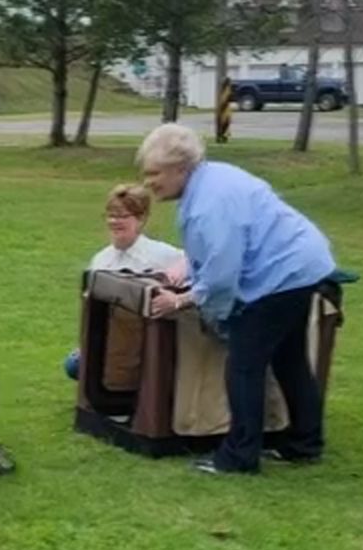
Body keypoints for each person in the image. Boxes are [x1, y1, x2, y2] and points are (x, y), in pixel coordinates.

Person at [137, 123, 339, 475]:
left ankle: (239, 457)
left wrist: (195, 307)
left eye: (155, 173)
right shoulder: (213, 179)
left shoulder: (209, 204)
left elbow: (222, 275)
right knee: (289, 358)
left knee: (244, 366)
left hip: (281, 276)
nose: (148, 183)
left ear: (180, 168)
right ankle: (305, 444)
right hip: (304, 266)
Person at [64, 184, 185, 379]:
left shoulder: (160, 254)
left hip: (148, 338)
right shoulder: (101, 260)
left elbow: (195, 262)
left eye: (122, 216)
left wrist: (181, 267)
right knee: (74, 364)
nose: (114, 221)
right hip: (112, 337)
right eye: (111, 215)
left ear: (141, 218)